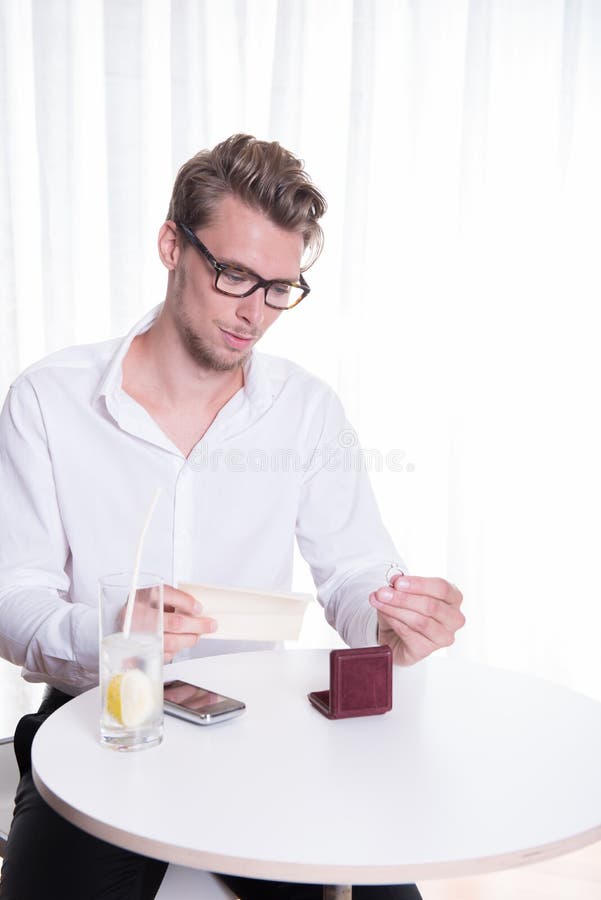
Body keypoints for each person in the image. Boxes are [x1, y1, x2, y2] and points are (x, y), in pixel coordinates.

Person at [0, 134, 464, 900]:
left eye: (280, 288)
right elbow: (13, 599)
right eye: (235, 275)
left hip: (259, 731)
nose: (255, 314)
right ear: (171, 246)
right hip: (96, 727)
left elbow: (353, 571)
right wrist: (114, 631)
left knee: (386, 893)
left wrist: (389, 619)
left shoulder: (304, 408)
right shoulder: (49, 401)